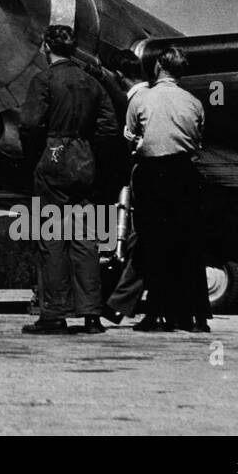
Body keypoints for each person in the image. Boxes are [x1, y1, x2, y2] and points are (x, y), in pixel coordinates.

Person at [19, 25, 118, 335]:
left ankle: (54, 314)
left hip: (54, 157)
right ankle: (91, 316)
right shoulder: (92, 82)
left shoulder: (44, 80)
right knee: (86, 241)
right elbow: (109, 128)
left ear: (47, 46)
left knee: (51, 240)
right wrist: (87, 149)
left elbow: (30, 124)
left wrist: (42, 152)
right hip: (84, 162)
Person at [124, 46, 208, 332]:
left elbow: (131, 135)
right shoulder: (195, 102)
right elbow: (198, 141)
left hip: (153, 173)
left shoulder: (142, 99)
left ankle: (157, 314)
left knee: (154, 244)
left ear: (159, 67)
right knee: (189, 244)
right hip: (185, 173)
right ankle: (196, 317)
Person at [101, 50, 150, 324]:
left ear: (119, 76)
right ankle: (121, 303)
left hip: (149, 174)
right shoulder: (171, 96)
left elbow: (131, 142)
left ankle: (120, 303)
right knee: (141, 240)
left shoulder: (134, 103)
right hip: (179, 175)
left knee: (144, 240)